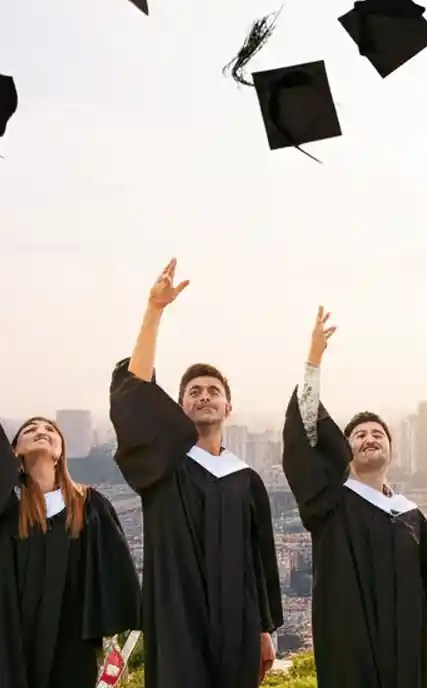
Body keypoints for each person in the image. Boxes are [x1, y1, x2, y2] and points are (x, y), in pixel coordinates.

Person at [0, 291, 141, 688]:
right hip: (6, 643)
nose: (41, 432)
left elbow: (114, 580)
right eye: (30, 430)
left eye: (50, 430)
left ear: (62, 450)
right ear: (13, 451)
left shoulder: (89, 504)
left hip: (71, 646)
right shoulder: (2, 503)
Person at [109, 259, 283, 687]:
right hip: (177, 621)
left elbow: (259, 562)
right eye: (194, 392)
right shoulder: (164, 466)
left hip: (238, 626)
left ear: (228, 408)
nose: (204, 397)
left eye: (214, 392)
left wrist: (264, 630)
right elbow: (136, 390)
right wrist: (154, 311)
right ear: (180, 406)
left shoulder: (246, 479)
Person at [281, 306, 427, 686]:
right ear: (347, 452)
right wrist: (313, 361)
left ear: (392, 451)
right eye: (360, 435)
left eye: (377, 433)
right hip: (352, 654)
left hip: (408, 657)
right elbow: (304, 434)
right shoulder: (330, 503)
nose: (369, 438)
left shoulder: (410, 516)